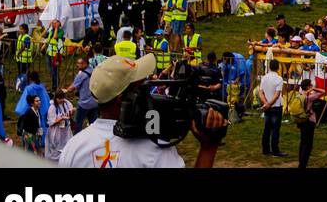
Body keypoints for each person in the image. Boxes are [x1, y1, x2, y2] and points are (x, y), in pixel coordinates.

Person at [59, 54, 226, 168]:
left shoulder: (73, 148)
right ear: (123, 99)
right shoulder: (152, 149)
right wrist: (208, 148)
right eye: (142, 85)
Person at [258, 58, 285, 157]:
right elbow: (277, 94)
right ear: (278, 68)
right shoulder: (279, 79)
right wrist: (269, 103)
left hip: (267, 106)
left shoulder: (264, 78)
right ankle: (275, 151)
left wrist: (265, 103)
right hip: (276, 106)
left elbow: (261, 92)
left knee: (266, 129)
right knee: (275, 129)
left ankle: (265, 149)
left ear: (269, 67)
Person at [46, 89, 74, 162]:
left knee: (67, 145)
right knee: (56, 149)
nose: (61, 100)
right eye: (59, 99)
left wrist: (71, 112)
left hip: (66, 129)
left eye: (62, 98)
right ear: (56, 98)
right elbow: (51, 122)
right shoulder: (52, 107)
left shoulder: (66, 103)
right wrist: (62, 118)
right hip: (56, 131)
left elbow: (69, 112)